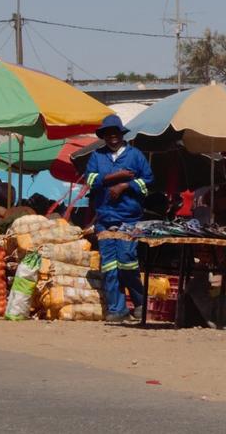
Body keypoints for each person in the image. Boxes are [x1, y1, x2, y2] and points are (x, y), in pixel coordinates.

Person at [85, 114, 154, 324]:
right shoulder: (97, 156)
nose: (112, 137)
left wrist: (126, 185)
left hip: (129, 219)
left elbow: (148, 180)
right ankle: (117, 309)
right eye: (108, 133)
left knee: (127, 263)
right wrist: (115, 177)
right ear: (104, 136)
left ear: (121, 134)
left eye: (115, 132)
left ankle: (140, 304)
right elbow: (91, 179)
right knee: (109, 266)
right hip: (105, 219)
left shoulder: (135, 155)